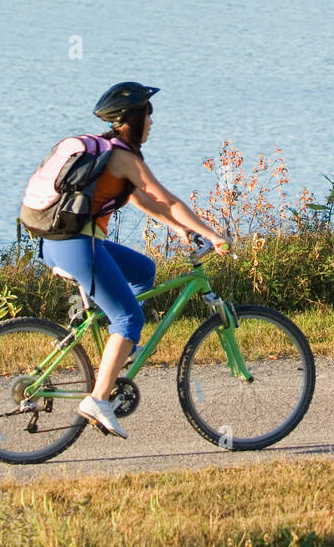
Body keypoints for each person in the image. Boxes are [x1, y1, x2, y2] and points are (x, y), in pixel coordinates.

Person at [39, 82, 232, 440]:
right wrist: (213, 233)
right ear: (132, 118)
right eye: (148, 114)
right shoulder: (124, 157)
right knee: (129, 317)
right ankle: (97, 399)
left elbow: (140, 200)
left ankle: (122, 349)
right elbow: (169, 199)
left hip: (58, 242)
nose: (152, 122)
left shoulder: (108, 153)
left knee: (145, 271)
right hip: (78, 246)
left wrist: (177, 227)